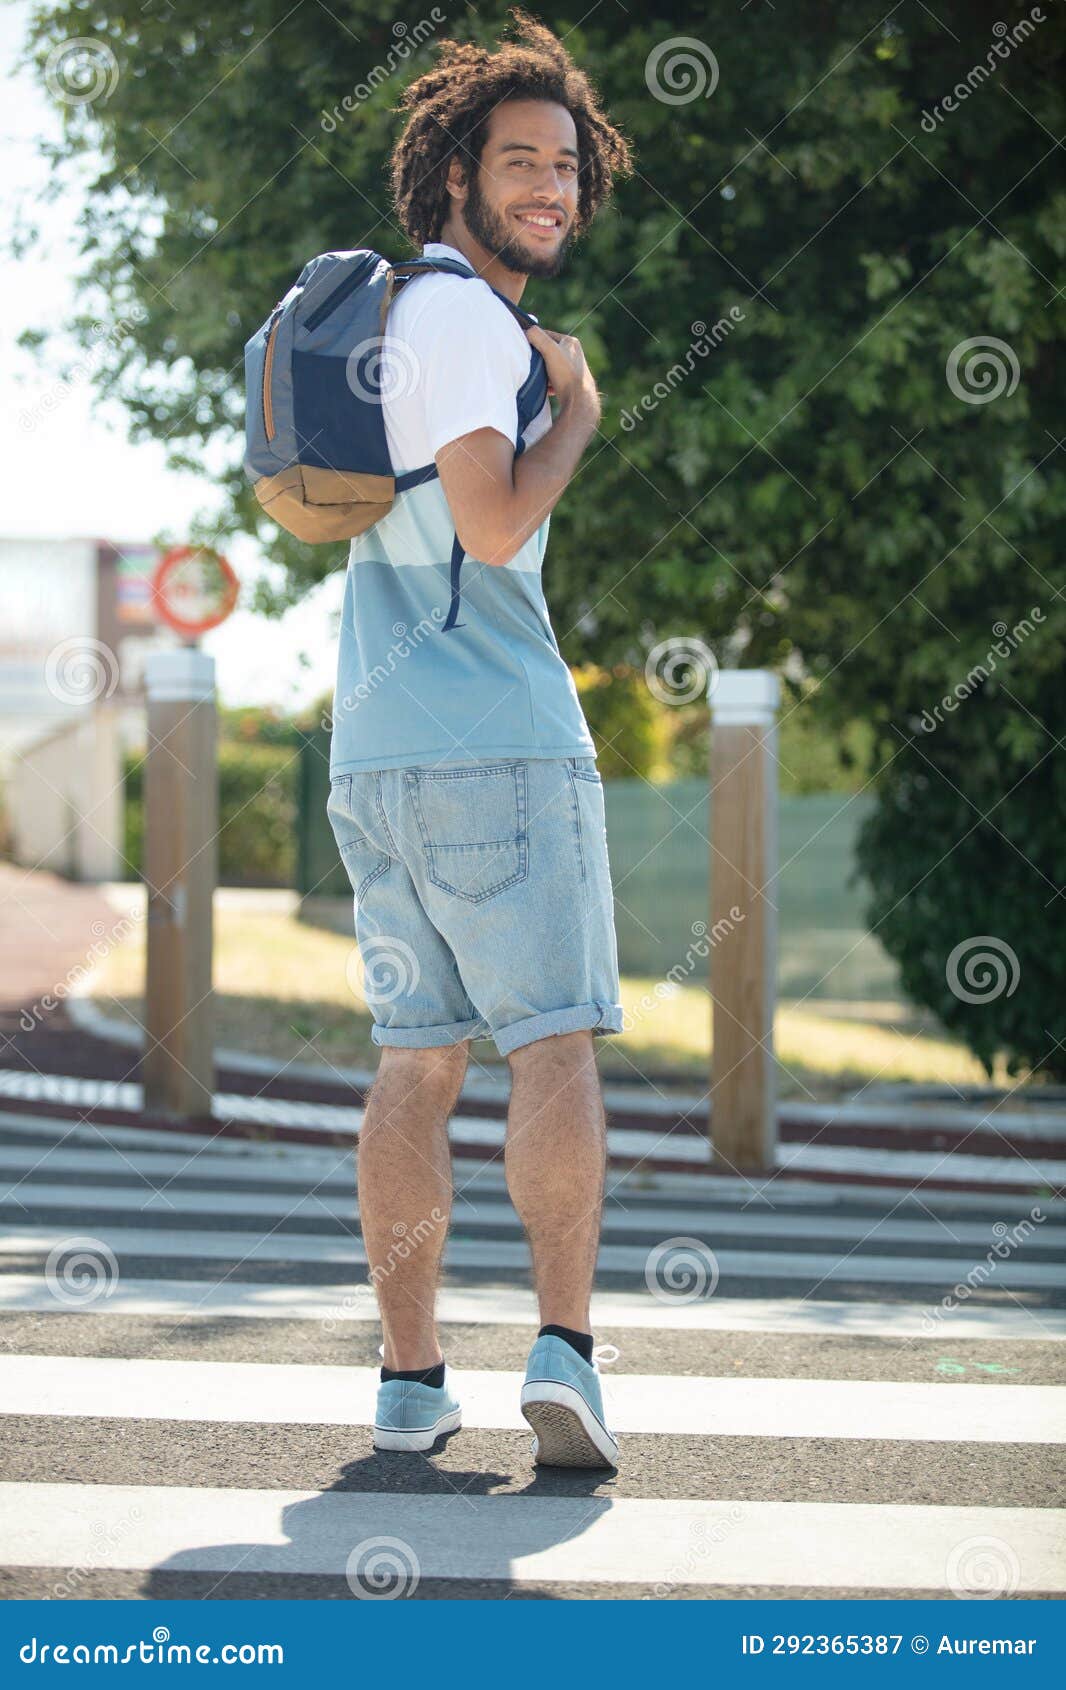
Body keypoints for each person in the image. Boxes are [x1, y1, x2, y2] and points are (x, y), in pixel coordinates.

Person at [326, 8, 633, 1467]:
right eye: (520, 162)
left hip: (377, 751)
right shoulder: (461, 318)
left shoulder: (400, 318)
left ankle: (410, 1381)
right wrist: (578, 408)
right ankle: (565, 1354)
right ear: (456, 173)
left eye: (566, 166)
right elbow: (497, 524)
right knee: (553, 1042)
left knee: (416, 1062)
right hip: (497, 745)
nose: (551, 188)